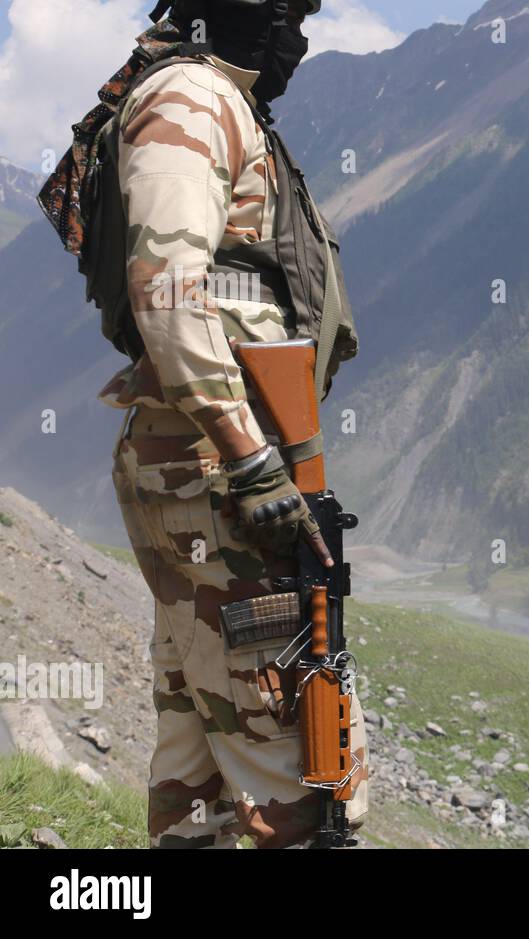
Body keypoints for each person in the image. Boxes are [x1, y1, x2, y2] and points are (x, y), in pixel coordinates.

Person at [96, 0, 366, 847]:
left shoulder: (217, 101)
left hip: (213, 467)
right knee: (300, 765)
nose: (298, 33)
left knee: (201, 749)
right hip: (224, 472)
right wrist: (249, 457)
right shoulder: (194, 96)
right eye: (286, 9)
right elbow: (166, 286)